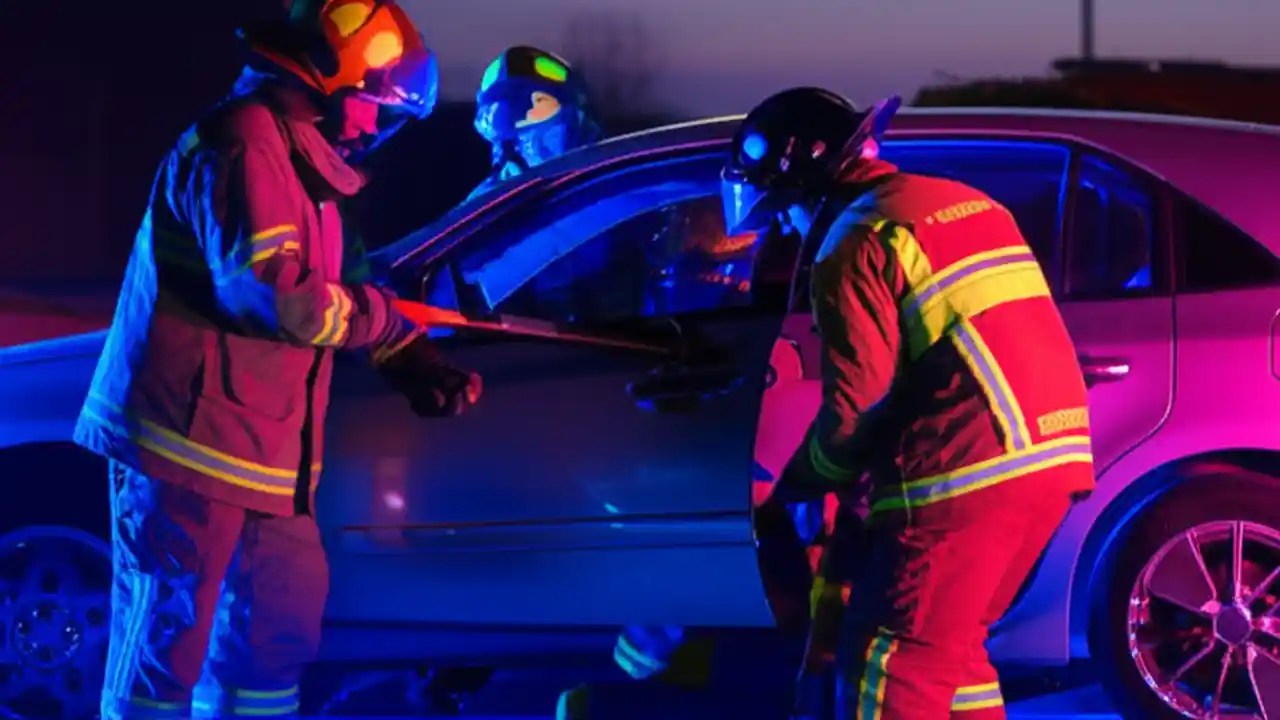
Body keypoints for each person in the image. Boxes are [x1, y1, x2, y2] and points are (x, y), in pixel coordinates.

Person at [73, 2, 482, 717]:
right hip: (185, 450)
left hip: (267, 461)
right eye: (373, 107)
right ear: (329, 77)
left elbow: (348, 285)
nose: (373, 131)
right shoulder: (242, 146)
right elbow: (279, 301)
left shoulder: (305, 167)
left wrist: (411, 357)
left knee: (271, 639)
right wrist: (384, 319)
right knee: (167, 647)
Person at [722, 87, 1095, 719]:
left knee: (890, 661)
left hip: (966, 475)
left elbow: (857, 404)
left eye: (782, 212)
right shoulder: (961, 201)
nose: (785, 229)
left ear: (808, 187)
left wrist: (802, 481)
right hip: (1053, 463)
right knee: (951, 654)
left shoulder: (851, 242)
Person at [467, 45, 601, 200]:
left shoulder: (611, 184)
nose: (526, 115)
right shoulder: (486, 203)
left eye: (538, 100)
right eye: (516, 108)